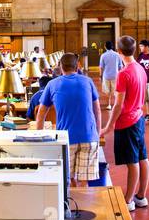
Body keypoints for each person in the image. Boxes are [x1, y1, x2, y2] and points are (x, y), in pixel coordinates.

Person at [35, 53, 101, 187]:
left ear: (60, 67)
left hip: (66, 138)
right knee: (84, 181)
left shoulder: (52, 84)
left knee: (68, 179)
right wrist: (97, 134)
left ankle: (70, 207)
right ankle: (83, 206)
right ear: (77, 67)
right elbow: (97, 110)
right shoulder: (88, 81)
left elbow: (41, 112)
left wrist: (39, 135)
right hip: (89, 136)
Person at [99, 36, 149, 211]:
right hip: (139, 118)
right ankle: (141, 196)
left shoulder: (124, 73)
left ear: (119, 52)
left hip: (128, 121)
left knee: (132, 161)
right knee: (143, 157)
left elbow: (119, 104)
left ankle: (128, 200)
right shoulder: (141, 68)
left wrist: (109, 125)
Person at [98, 40, 122, 113]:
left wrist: (100, 75)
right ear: (112, 46)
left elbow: (101, 67)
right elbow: (120, 66)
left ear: (105, 47)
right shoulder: (117, 55)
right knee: (115, 91)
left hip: (106, 75)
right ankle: (115, 104)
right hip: (116, 75)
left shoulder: (103, 55)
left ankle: (109, 104)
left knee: (107, 91)